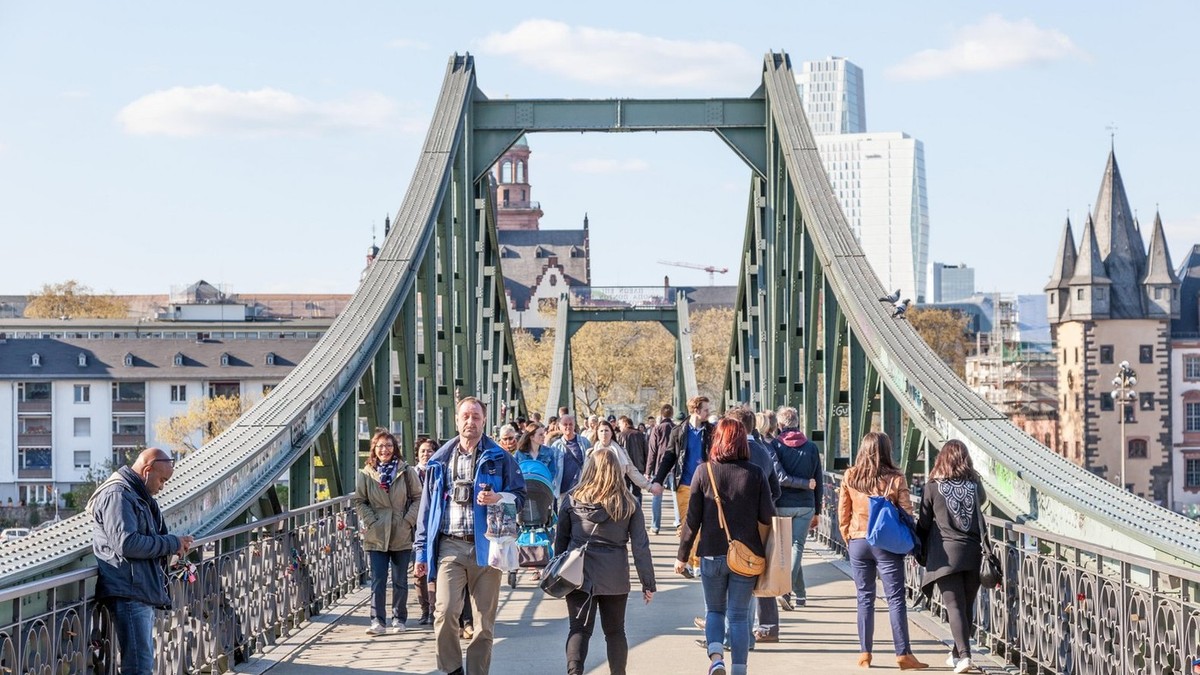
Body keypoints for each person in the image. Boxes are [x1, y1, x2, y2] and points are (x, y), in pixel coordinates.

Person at [414, 397, 527, 675]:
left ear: (484, 421)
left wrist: (498, 497)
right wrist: (420, 552)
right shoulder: (440, 460)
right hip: (450, 546)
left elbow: (522, 496)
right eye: (465, 416)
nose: (470, 422)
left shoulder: (500, 457)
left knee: (483, 624)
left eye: (476, 417)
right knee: (444, 612)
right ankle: (453, 670)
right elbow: (426, 510)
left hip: (488, 547)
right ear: (456, 420)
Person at [676, 418, 775, 675]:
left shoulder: (703, 472)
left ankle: (717, 658)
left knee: (715, 611)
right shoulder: (755, 473)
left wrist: (682, 556)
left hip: (711, 554)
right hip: (746, 556)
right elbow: (767, 516)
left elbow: (692, 521)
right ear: (743, 441)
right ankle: (739, 670)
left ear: (716, 440)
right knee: (740, 616)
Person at [89, 447, 194, 675]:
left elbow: (150, 539)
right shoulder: (117, 494)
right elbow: (127, 543)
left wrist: (175, 544)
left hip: (138, 588)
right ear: (147, 470)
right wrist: (171, 543)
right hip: (129, 592)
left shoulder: (139, 497)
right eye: (162, 479)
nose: (162, 486)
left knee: (141, 662)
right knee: (139, 666)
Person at [556, 449, 656, 675]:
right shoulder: (628, 503)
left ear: (590, 469)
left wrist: (558, 574)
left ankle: (574, 672)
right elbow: (640, 547)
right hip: (615, 575)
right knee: (615, 631)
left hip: (578, 574)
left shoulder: (572, 500)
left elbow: (560, 539)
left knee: (579, 629)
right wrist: (647, 583)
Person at [838, 432, 928, 670]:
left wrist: (848, 536)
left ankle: (865, 654)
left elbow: (843, 512)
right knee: (895, 599)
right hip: (886, 543)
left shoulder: (850, 475)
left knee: (864, 598)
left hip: (858, 541)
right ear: (887, 451)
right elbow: (908, 513)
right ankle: (903, 654)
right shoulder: (895, 478)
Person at [916, 440, 984, 674]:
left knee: (954, 607)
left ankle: (965, 656)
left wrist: (918, 548)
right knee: (966, 607)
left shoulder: (933, 487)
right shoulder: (975, 485)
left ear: (941, 459)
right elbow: (982, 503)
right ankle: (956, 653)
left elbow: (923, 522)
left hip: (946, 556)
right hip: (974, 554)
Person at [354, 428, 421, 635]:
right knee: (378, 579)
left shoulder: (406, 470)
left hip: (400, 530)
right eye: (381, 446)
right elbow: (360, 500)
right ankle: (377, 621)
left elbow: (419, 497)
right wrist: (371, 521)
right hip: (377, 532)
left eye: (389, 446)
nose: (385, 450)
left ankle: (399, 619)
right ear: (374, 449)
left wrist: (408, 521)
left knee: (400, 580)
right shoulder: (366, 473)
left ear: (395, 448)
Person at [768, 406, 823, 612]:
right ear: (797, 423)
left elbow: (777, 478)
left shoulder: (775, 446)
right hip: (806, 505)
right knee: (797, 547)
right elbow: (818, 480)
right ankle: (800, 594)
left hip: (782, 505)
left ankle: (785, 590)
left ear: (780, 425)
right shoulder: (811, 447)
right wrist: (817, 510)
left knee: (786, 550)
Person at [651, 396, 714, 571]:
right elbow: (669, 458)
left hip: (707, 486)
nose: (709, 413)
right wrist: (658, 480)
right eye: (706, 409)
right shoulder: (678, 432)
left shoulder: (711, 431)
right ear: (696, 410)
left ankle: (696, 562)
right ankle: (692, 562)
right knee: (689, 526)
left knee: (704, 525)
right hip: (685, 484)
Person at [592, 418, 651, 499]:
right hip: (598, 492)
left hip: (617, 492)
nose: (604, 433)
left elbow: (632, 471)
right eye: (601, 431)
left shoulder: (621, 451)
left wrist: (648, 486)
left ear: (611, 433)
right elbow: (586, 475)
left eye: (606, 430)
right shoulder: (590, 453)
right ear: (597, 433)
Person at [413, 437, 437, 625]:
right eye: (422, 451)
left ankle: (433, 609)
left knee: (433, 570)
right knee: (418, 571)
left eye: (429, 451)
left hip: (435, 527)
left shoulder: (439, 472)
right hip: (415, 528)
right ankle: (424, 608)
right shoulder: (411, 475)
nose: (426, 454)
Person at [645, 404, 678, 536]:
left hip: (660, 465)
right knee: (676, 495)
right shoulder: (677, 428)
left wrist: (648, 471)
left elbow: (652, 451)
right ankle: (679, 524)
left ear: (661, 414)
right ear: (671, 414)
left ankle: (655, 526)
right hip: (675, 465)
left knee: (657, 495)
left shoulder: (657, 429)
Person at [515, 421, 564, 497]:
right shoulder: (520, 453)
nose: (544, 436)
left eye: (543, 434)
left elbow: (552, 472)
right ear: (531, 437)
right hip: (524, 490)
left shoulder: (549, 452)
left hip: (543, 490)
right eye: (540, 435)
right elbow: (515, 471)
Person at [552, 413, 591, 494]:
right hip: (563, 490)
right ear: (560, 426)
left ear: (574, 425)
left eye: (570, 424)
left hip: (581, 489)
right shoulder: (556, 446)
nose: (568, 427)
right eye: (565, 424)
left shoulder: (585, 442)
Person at [616, 416, 649, 487]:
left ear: (625, 424)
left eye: (620, 424)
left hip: (625, 466)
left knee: (625, 490)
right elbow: (646, 452)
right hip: (639, 465)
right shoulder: (640, 435)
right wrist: (646, 467)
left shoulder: (620, 435)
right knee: (637, 490)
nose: (619, 427)